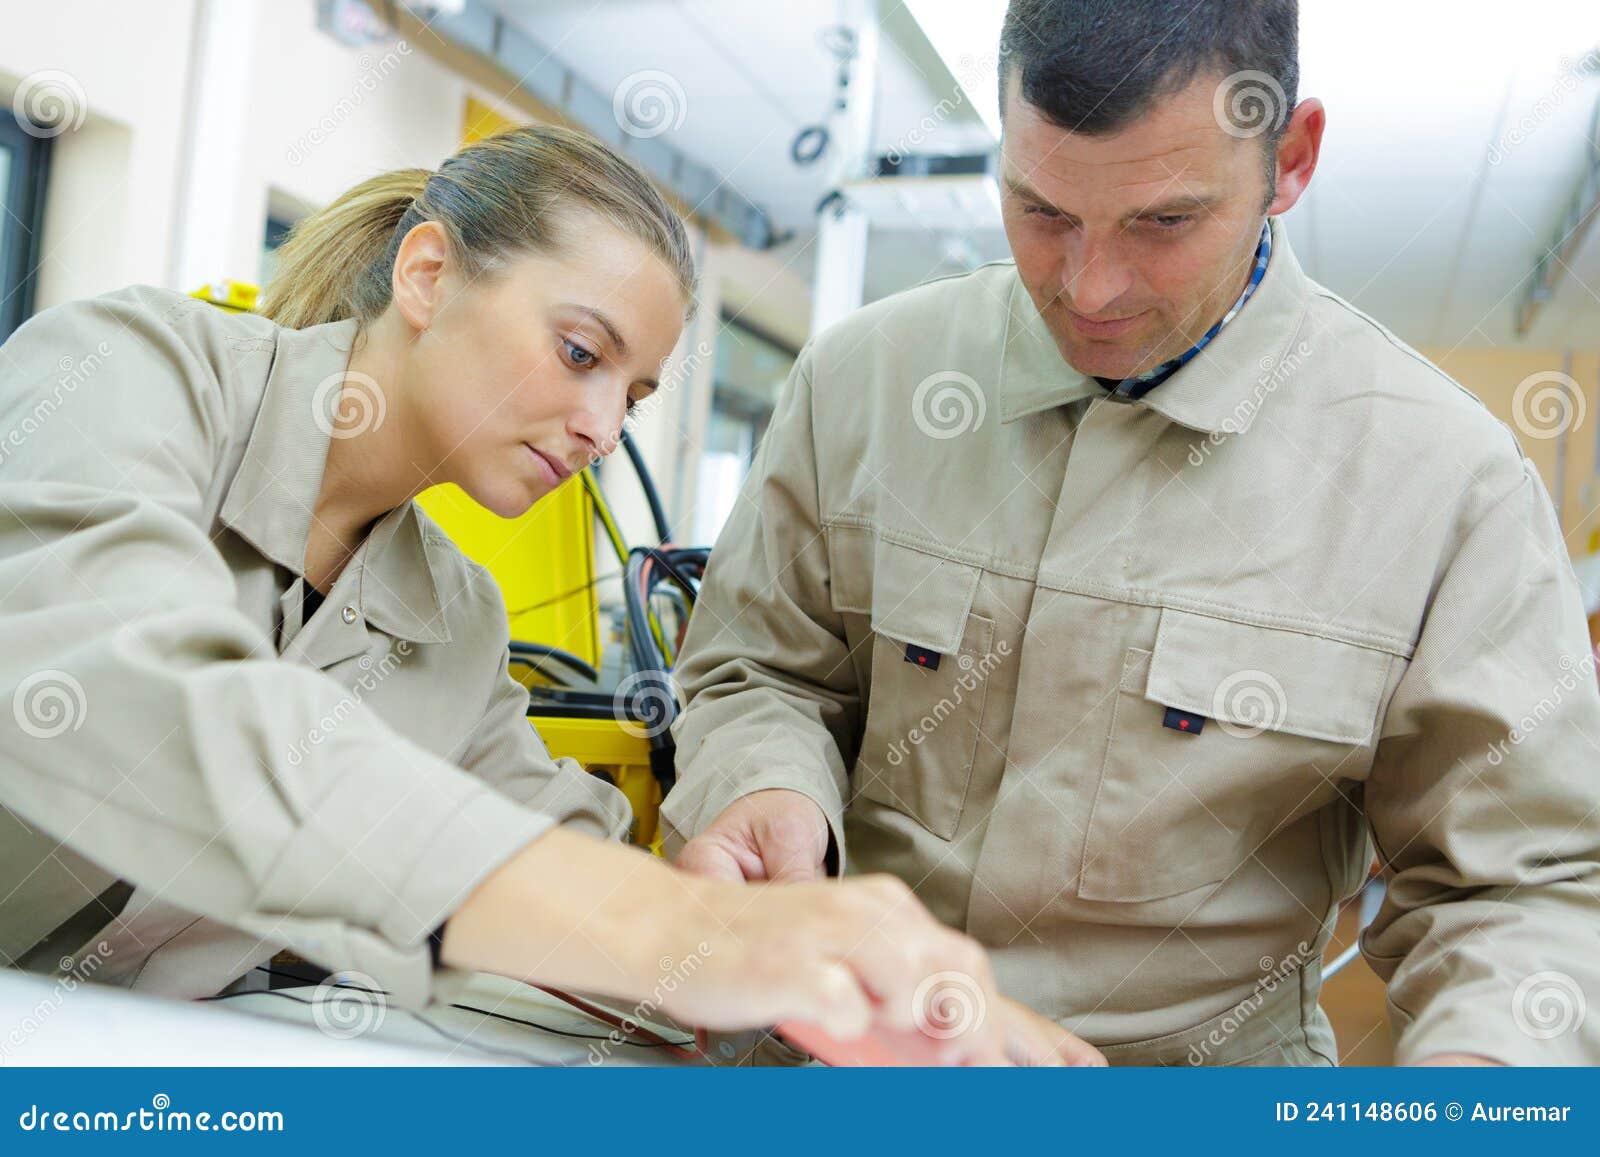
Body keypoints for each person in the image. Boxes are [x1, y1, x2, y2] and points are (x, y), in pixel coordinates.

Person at [0, 123, 1097, 1065]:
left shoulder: (452, 616)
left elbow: (556, 846)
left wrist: (865, 987)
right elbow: (128, 689)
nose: (603, 426)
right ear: (426, 273)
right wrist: (664, 921)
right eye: (579, 351)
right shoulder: (129, 371)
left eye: (633, 391)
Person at [663, 0, 1600, 1066]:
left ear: (1288, 159)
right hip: (827, 1064)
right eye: (1041, 210)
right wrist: (760, 783)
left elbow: (1524, 888)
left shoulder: (1448, 485)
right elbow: (760, 671)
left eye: (1162, 222)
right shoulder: (863, 380)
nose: (1088, 288)